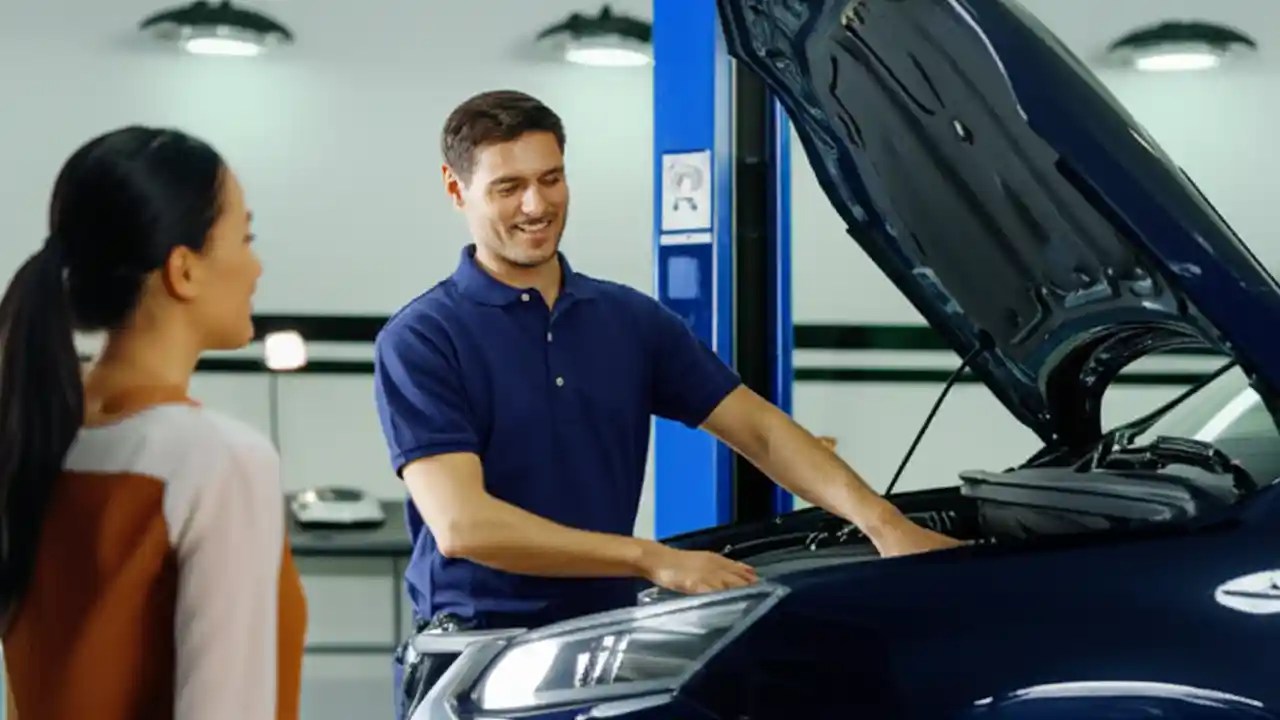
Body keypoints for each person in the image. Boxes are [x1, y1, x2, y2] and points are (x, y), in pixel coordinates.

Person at [373, 89, 962, 714]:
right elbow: (464, 526)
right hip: (480, 662)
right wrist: (652, 559)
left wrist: (885, 525)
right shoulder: (423, 339)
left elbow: (759, 430)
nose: (536, 205)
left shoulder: (626, 320)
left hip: (603, 650)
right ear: (455, 188)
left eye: (551, 178)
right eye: (508, 186)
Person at [0, 126, 307, 719]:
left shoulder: (36, 429)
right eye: (244, 238)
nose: (256, 265)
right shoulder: (216, 460)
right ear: (183, 269)